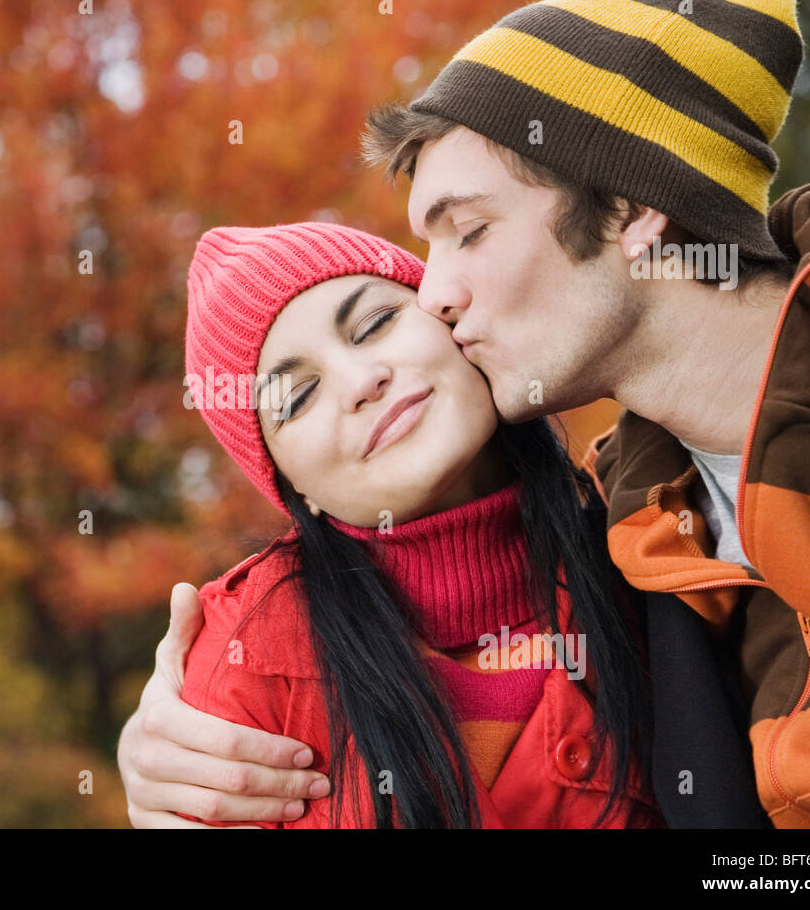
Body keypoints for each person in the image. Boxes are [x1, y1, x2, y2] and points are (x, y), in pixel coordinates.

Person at [118, 0, 810, 828]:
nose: (436, 296)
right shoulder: (657, 532)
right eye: (293, 398)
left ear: (636, 202)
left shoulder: (634, 553)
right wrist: (161, 759)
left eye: (470, 232)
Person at [169, 220, 656, 827]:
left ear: (453, 323)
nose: (361, 381)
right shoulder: (244, 661)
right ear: (293, 490)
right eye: (296, 397)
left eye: (375, 324)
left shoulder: (655, 547)